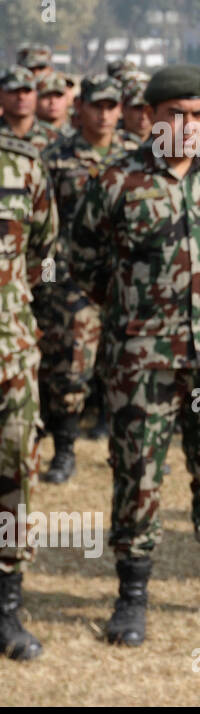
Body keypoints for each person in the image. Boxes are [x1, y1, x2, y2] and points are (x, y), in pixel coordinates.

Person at [68, 64, 200, 646]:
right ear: (150, 118)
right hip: (142, 360)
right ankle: (132, 597)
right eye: (177, 116)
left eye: (199, 117)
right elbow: (83, 263)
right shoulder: (116, 182)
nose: (189, 127)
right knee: (137, 476)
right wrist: (134, 318)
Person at [33, 75, 129, 485]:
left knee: (127, 365)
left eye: (111, 106)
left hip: (126, 277)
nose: (104, 114)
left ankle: (125, 448)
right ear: (81, 109)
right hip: (72, 279)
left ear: (121, 110)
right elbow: (41, 223)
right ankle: (65, 451)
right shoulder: (55, 157)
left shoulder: (135, 157)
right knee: (69, 368)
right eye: (96, 105)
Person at [0, 127, 57, 660]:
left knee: (14, 472)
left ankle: (6, 607)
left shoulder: (23, 165)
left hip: (9, 354)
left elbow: (41, 254)